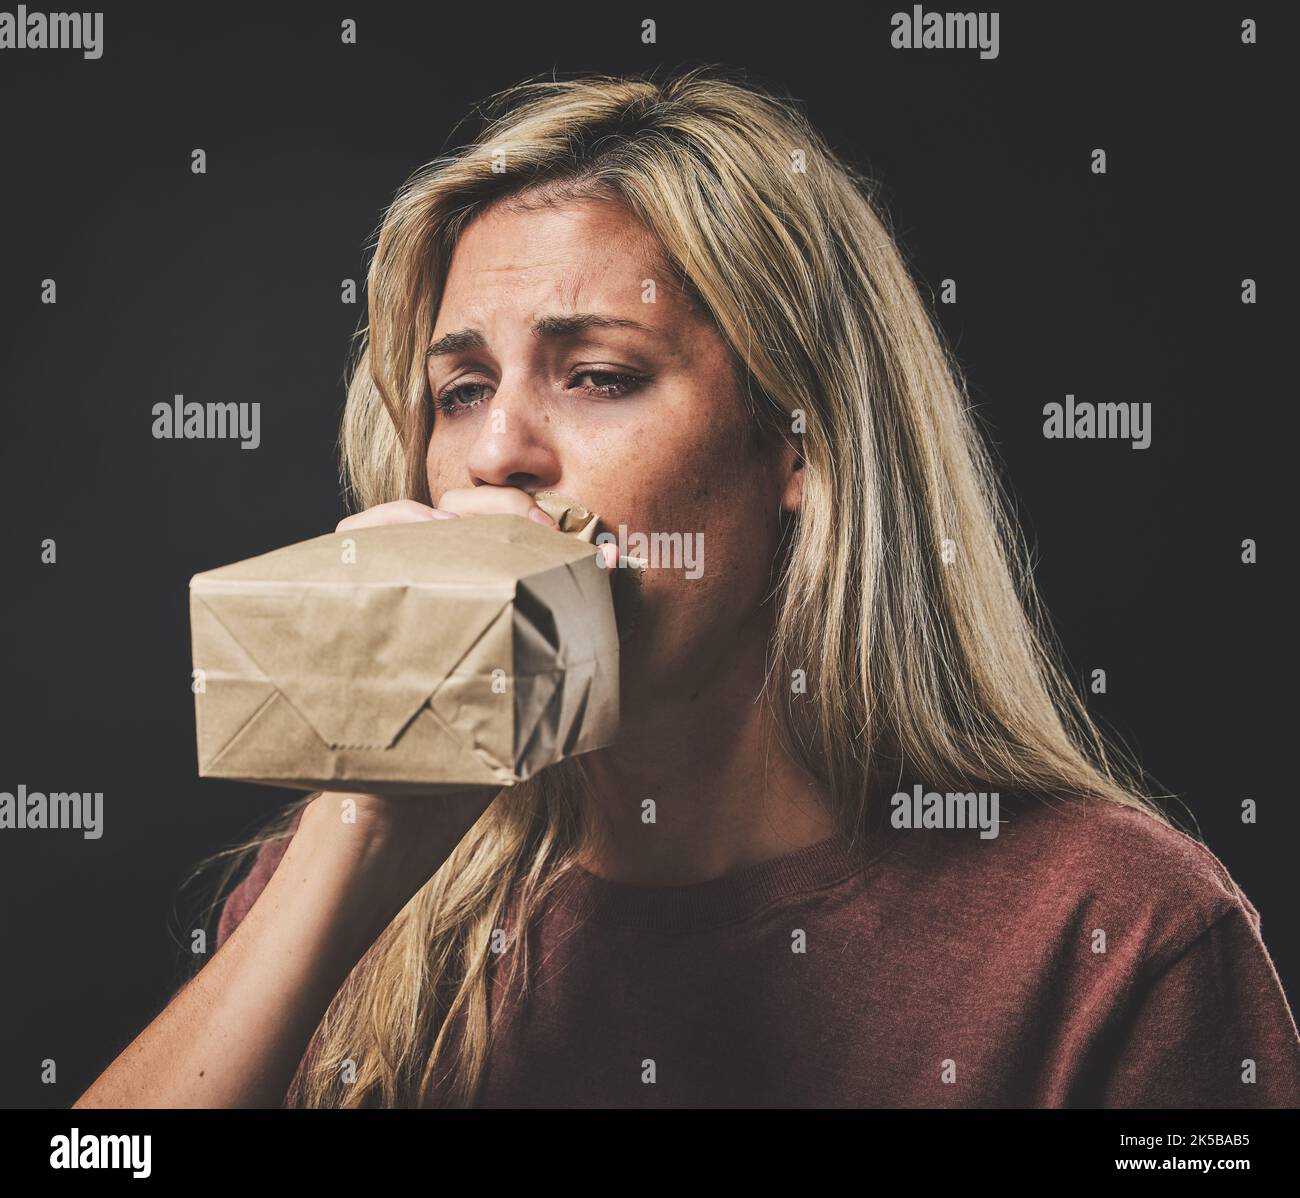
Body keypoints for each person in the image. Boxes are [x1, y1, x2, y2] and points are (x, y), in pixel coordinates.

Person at [74, 66, 1300, 1109]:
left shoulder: (1116, 936)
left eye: (596, 374)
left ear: (798, 447)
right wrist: (356, 838)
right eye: (460, 390)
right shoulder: (343, 887)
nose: (498, 452)